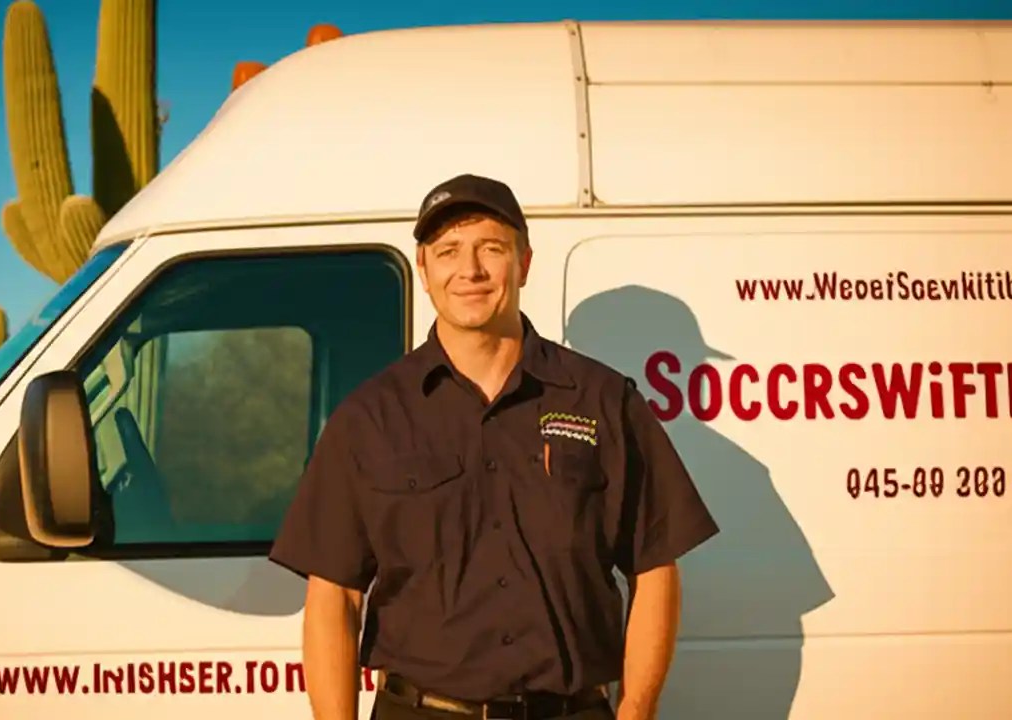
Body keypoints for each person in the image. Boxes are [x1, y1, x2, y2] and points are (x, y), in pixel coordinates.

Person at [269, 173, 720, 720]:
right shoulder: (369, 418)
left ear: (524, 262)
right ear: (425, 270)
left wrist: (637, 710)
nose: (471, 270)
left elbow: (655, 568)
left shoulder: (603, 401)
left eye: (491, 248)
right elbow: (333, 599)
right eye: (449, 251)